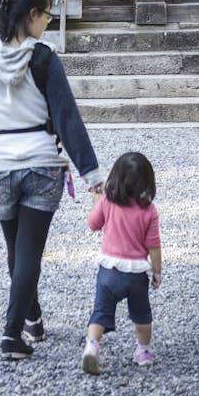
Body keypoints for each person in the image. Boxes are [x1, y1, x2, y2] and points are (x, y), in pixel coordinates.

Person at [0, 0, 104, 360]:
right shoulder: (45, 58)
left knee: (16, 250)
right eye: (47, 16)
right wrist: (92, 174)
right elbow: (67, 118)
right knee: (29, 253)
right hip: (40, 161)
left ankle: (32, 317)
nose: (48, 23)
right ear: (32, 14)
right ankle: (11, 334)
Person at [81, 151, 162, 374]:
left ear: (115, 176)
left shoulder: (107, 200)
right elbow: (154, 244)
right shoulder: (149, 210)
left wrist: (96, 199)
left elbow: (93, 224)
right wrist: (157, 272)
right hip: (136, 273)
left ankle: (91, 347)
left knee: (100, 313)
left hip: (109, 270)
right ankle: (144, 351)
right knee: (142, 316)